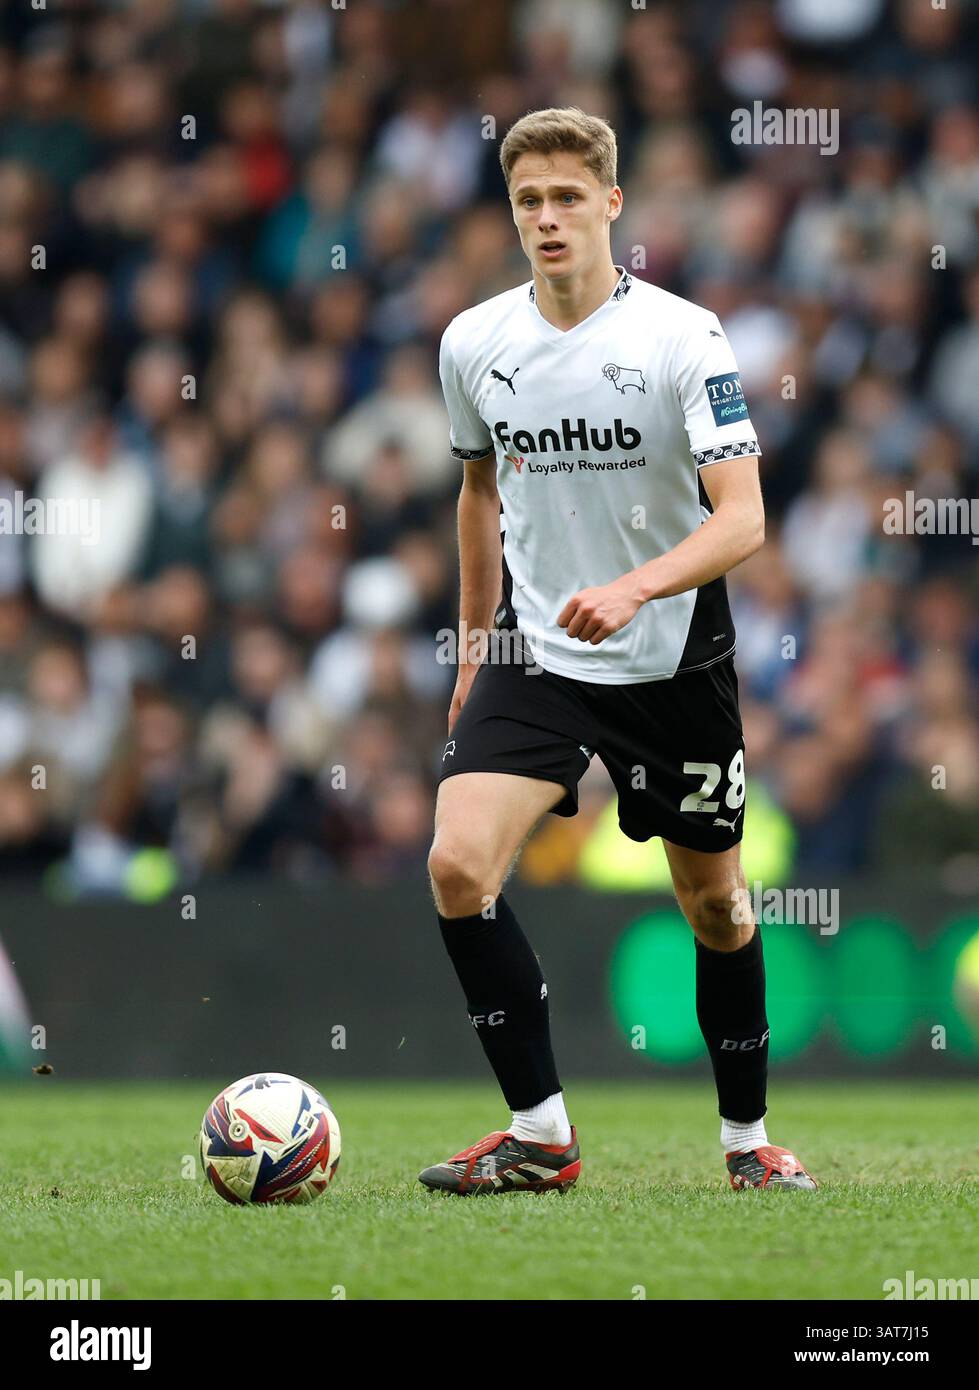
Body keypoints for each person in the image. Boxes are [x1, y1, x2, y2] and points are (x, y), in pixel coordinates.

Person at [421, 107, 816, 1194]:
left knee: (718, 907)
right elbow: (474, 492)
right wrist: (470, 651)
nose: (546, 220)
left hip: (670, 658)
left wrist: (635, 586)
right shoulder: (473, 342)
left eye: (564, 198)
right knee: (458, 866)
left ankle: (748, 1144)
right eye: (526, 202)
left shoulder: (684, 338)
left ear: (611, 204)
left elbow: (742, 520)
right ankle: (539, 1135)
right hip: (537, 649)